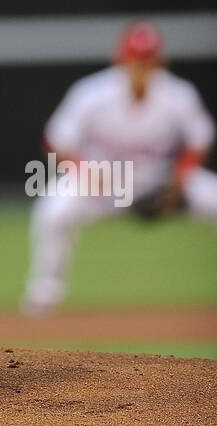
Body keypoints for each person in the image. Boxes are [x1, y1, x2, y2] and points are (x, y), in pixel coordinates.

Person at [22, 21, 217, 315]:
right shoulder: (91, 93)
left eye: (147, 60)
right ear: (121, 60)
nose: (140, 67)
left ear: (159, 62)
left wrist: (180, 177)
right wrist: (84, 170)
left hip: (157, 180)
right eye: (135, 59)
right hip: (102, 180)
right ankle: (45, 294)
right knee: (54, 211)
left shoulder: (179, 94)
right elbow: (56, 140)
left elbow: (200, 139)